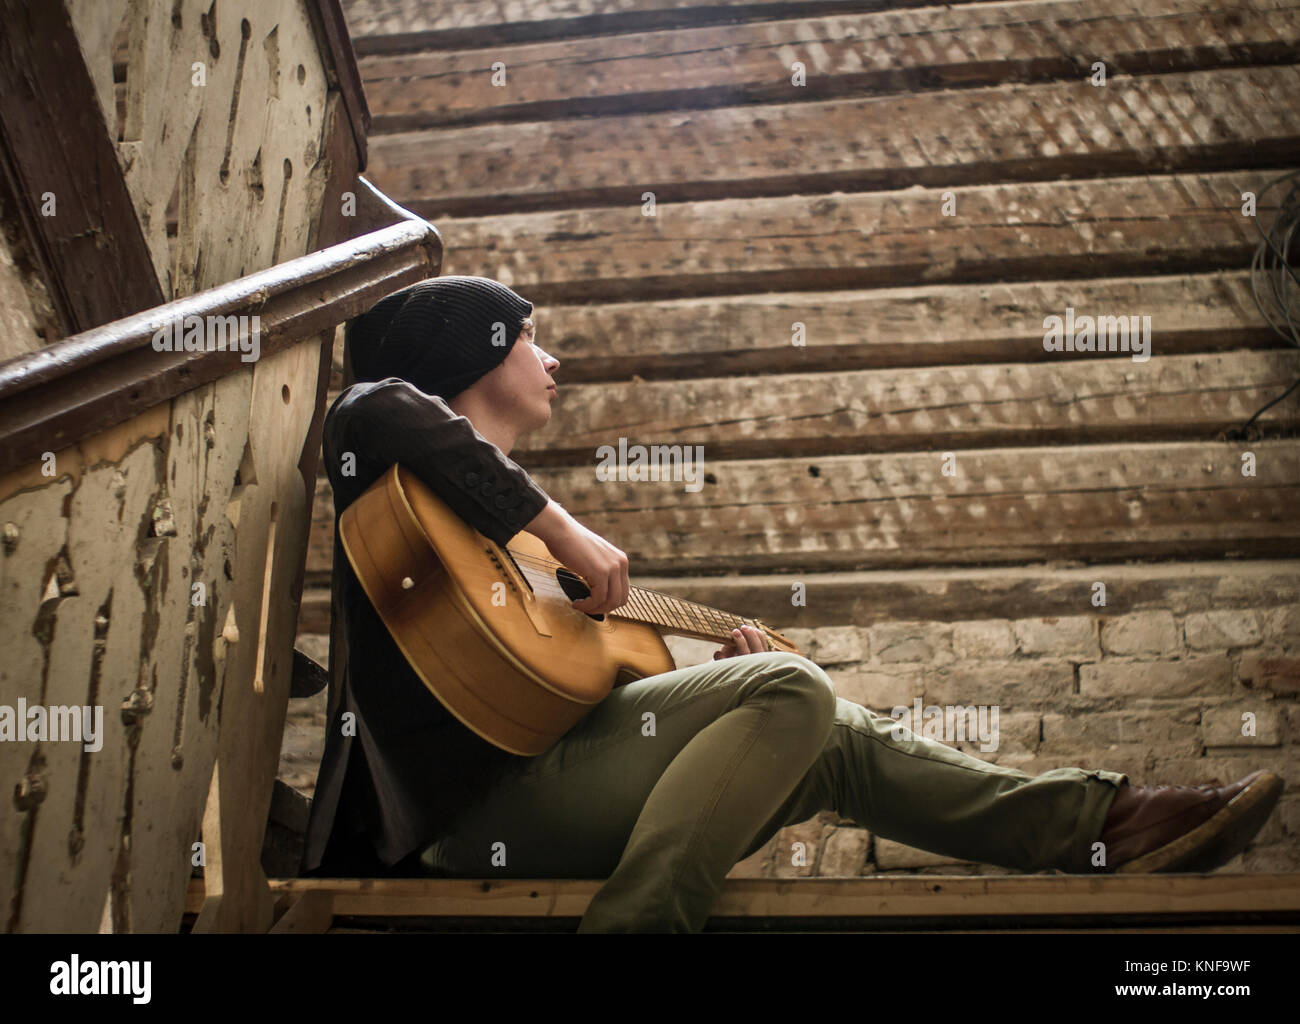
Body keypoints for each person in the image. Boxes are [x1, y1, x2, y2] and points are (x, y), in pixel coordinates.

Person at [300, 276, 1285, 932]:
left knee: (821, 724)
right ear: (466, 355)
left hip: (553, 778)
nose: (554, 358)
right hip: (469, 820)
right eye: (527, 336)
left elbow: (578, 692)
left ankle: (1095, 826)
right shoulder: (392, 475)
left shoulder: (500, 536)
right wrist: (564, 526)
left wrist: (716, 676)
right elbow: (370, 404)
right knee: (791, 692)